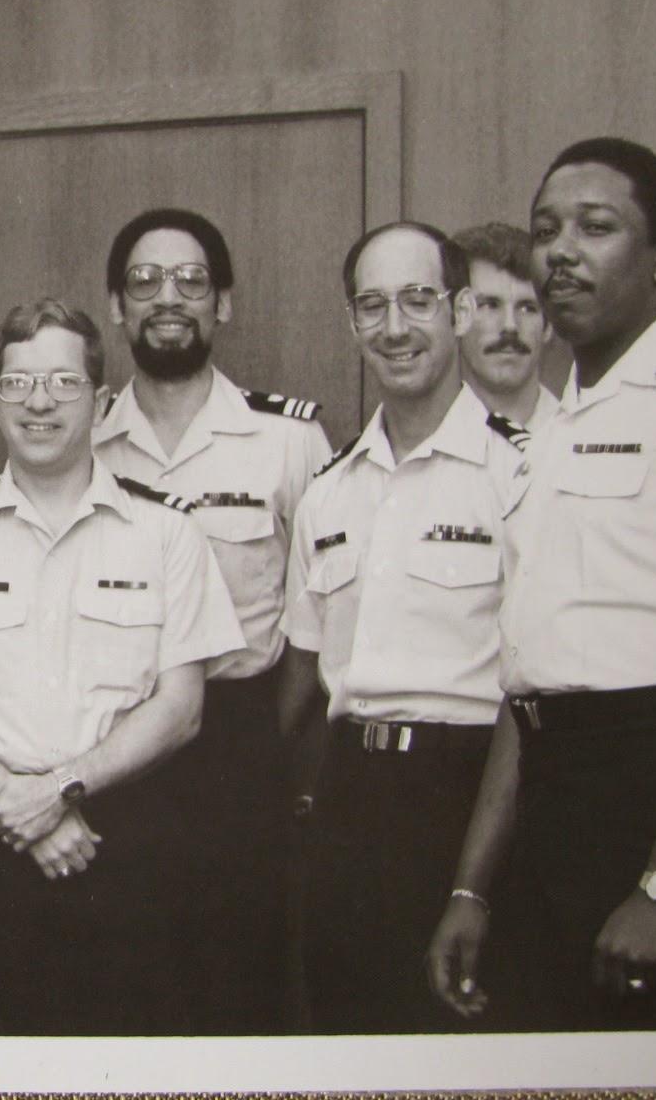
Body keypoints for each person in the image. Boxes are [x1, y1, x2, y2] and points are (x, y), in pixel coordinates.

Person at [0, 298, 244, 1035]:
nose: (39, 403)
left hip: (120, 840)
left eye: (63, 384)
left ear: (100, 403)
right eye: (18, 384)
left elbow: (181, 708)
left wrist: (63, 790)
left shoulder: (168, 534)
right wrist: (21, 807)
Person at [428, 137, 656, 1031]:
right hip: (550, 789)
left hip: (654, 784)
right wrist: (473, 888)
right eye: (545, 229)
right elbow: (530, 676)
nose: (559, 249)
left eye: (595, 228)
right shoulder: (559, 426)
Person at [277, 221, 526, 1034]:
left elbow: (535, 697)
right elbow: (304, 678)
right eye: (373, 306)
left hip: (471, 795)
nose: (395, 327)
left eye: (418, 300)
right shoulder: (329, 492)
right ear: (351, 324)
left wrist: (473, 885)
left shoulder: (521, 475)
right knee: (343, 1035)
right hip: (351, 801)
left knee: (465, 1042)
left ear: (460, 312)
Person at [93, 207, 330, 1032]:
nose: (169, 298)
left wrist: (271, 733)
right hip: (111, 742)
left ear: (222, 304)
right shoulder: (81, 439)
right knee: (116, 980)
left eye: (192, 281)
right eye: (146, 281)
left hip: (240, 741)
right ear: (117, 305)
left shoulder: (288, 440)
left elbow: (319, 610)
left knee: (238, 984)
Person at [452, 222, 560, 430]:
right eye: (490, 305)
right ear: (457, 319)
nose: (510, 326)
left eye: (528, 308)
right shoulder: (418, 445)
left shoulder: (586, 436)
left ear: (548, 327)